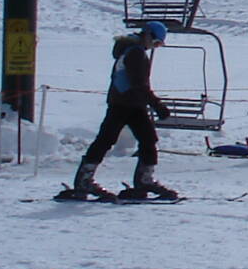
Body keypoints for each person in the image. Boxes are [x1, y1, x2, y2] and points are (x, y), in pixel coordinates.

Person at [64, 21, 175, 201]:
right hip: (124, 104)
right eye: (155, 43)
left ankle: (144, 180)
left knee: (147, 139)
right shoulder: (136, 53)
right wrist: (158, 106)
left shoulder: (132, 50)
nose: (153, 47)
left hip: (131, 103)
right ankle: (85, 180)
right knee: (107, 140)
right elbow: (139, 84)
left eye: (158, 46)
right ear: (147, 35)